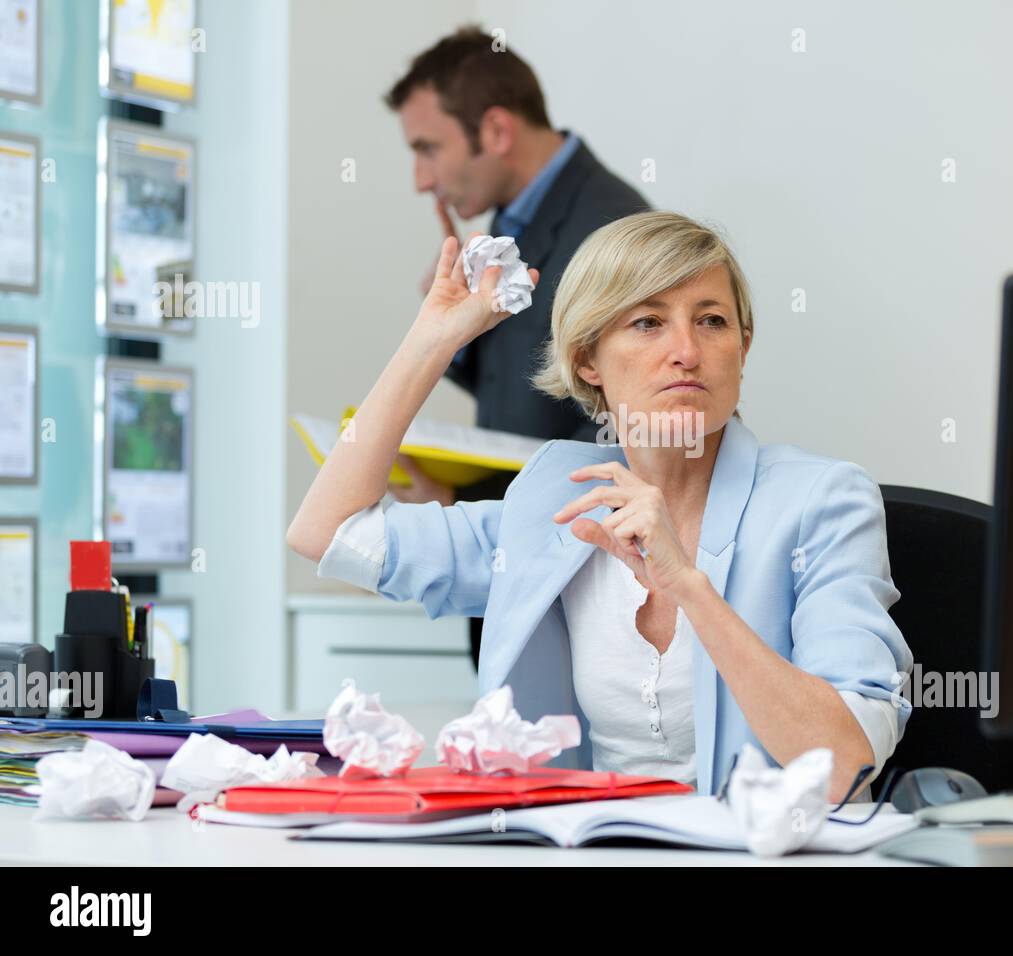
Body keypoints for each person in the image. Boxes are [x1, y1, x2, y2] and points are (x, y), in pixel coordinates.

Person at [287, 212, 912, 800]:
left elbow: (844, 766)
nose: (687, 351)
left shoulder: (823, 502)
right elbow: (330, 534)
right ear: (586, 360)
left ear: (743, 348)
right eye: (647, 322)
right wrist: (432, 341)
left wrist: (689, 588)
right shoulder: (553, 500)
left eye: (713, 321)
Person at [384, 26, 650, 667]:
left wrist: (472, 510)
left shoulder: (611, 232)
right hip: (522, 570)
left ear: (497, 131)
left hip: (576, 592)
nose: (422, 178)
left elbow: (627, 435)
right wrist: (449, 329)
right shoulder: (509, 227)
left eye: (428, 148)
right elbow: (540, 381)